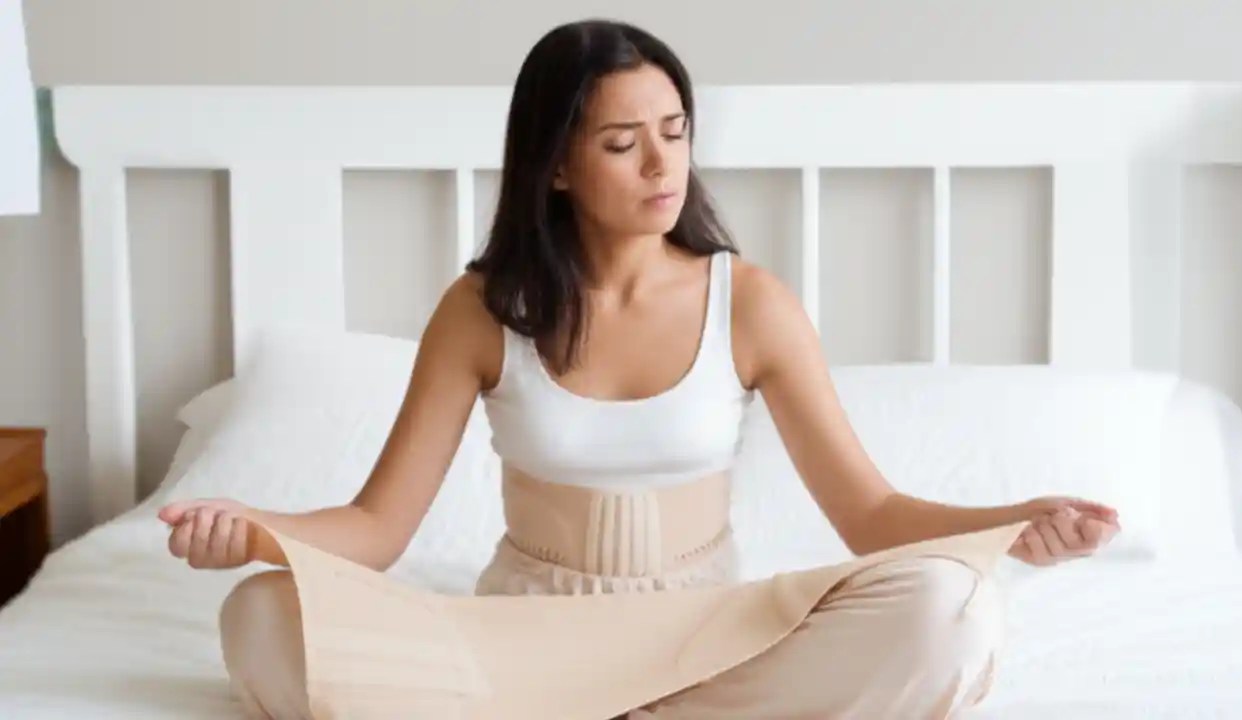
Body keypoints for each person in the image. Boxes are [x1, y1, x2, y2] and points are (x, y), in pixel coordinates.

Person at [157, 18, 1120, 719]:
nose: (663, 164)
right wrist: (250, 531)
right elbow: (375, 529)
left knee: (950, 609)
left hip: (710, 644)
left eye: (675, 132)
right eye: (623, 143)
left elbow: (872, 517)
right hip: (520, 652)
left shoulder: (751, 303)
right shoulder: (484, 310)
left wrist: (1014, 522)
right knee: (265, 618)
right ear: (559, 167)